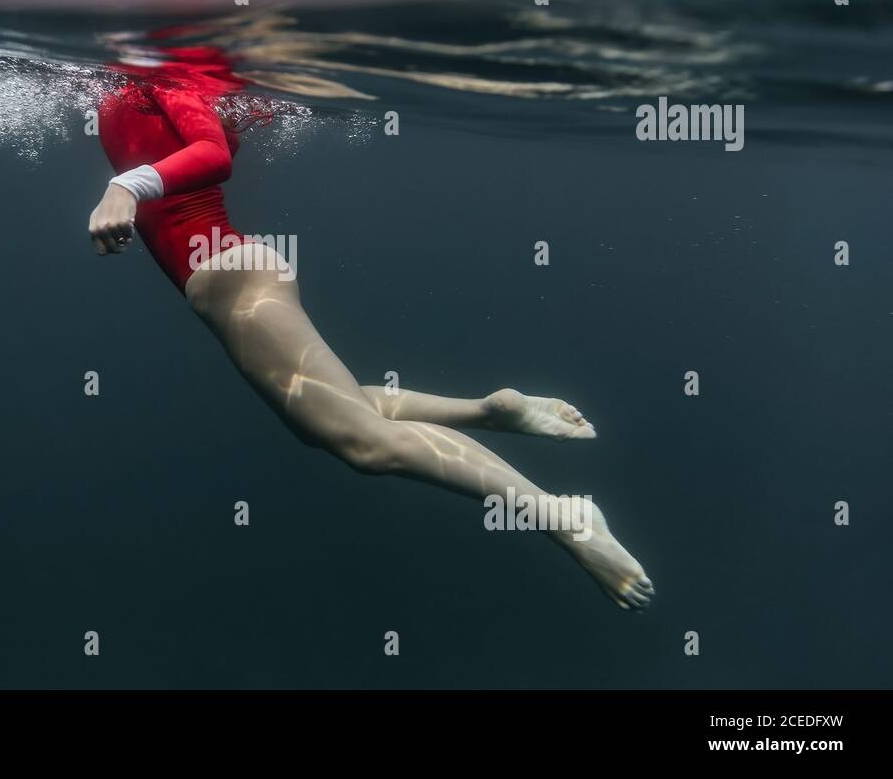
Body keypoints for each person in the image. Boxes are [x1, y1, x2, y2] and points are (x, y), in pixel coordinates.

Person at [88, 45, 653, 610]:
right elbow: (210, 141)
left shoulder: (165, 76)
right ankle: (490, 411)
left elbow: (214, 154)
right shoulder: (132, 85)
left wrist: (127, 187)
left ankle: (559, 516)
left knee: (365, 446)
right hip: (230, 276)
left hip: (231, 278)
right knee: (336, 417)